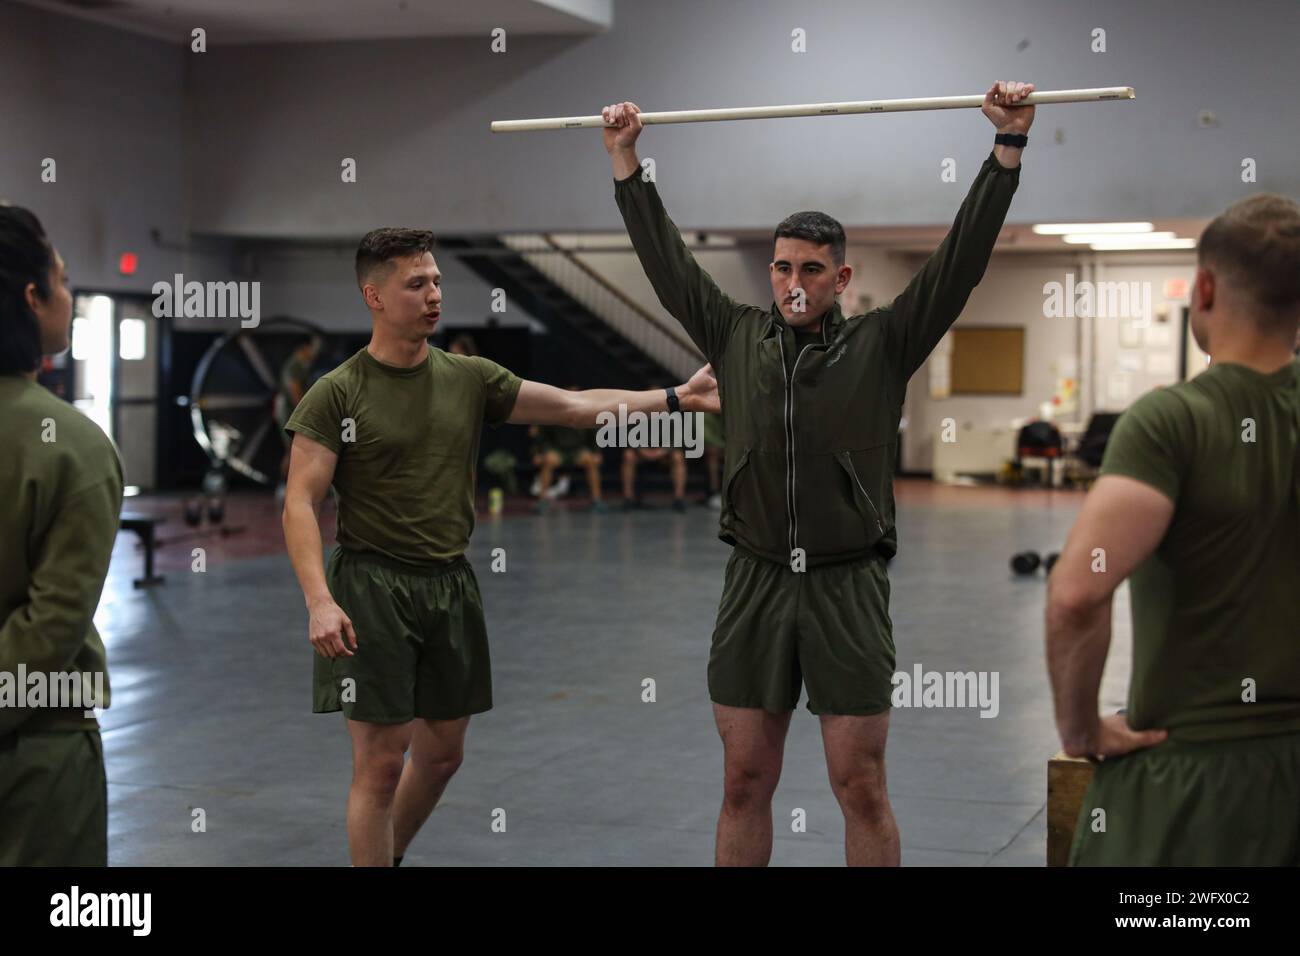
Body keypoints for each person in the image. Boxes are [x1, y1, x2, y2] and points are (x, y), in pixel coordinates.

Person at [601, 79, 1034, 866]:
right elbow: (667, 265)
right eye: (780, 267)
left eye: (810, 268)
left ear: (842, 277)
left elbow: (960, 262)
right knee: (743, 781)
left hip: (847, 585)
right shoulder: (732, 334)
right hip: (757, 581)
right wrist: (629, 163)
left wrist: (1005, 149)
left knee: (859, 784)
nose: (792, 282)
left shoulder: (883, 342)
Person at [281, 227, 717, 866]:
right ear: (373, 296)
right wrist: (318, 600)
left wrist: (677, 396)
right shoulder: (337, 392)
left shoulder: (469, 378)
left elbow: (573, 407)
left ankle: (388, 855)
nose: (434, 295)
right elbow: (299, 501)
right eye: (416, 284)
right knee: (378, 767)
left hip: (449, 585)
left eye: (436, 281)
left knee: (443, 755)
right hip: (370, 589)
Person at [1048, 194, 1300, 866]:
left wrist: (1080, 729)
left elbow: (1078, 593)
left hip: (1192, 780)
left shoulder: (1172, 422)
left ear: (1206, 288)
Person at [0, 206, 123, 866]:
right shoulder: (71, 447)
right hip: (36, 758)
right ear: (31, 296)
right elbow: (52, 625)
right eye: (63, 280)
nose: (70, 298)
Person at [275, 334, 321, 498]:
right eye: (312, 347)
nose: (314, 351)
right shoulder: (294, 366)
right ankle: (282, 486)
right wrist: (304, 411)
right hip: (290, 413)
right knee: (292, 449)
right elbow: (293, 390)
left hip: (295, 412)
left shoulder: (303, 365)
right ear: (304, 348)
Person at [621, 446, 687, 512]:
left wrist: (661, 451)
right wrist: (644, 451)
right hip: (641, 453)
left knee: (678, 456)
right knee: (628, 455)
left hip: (665, 454)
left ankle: (678, 498)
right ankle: (628, 498)